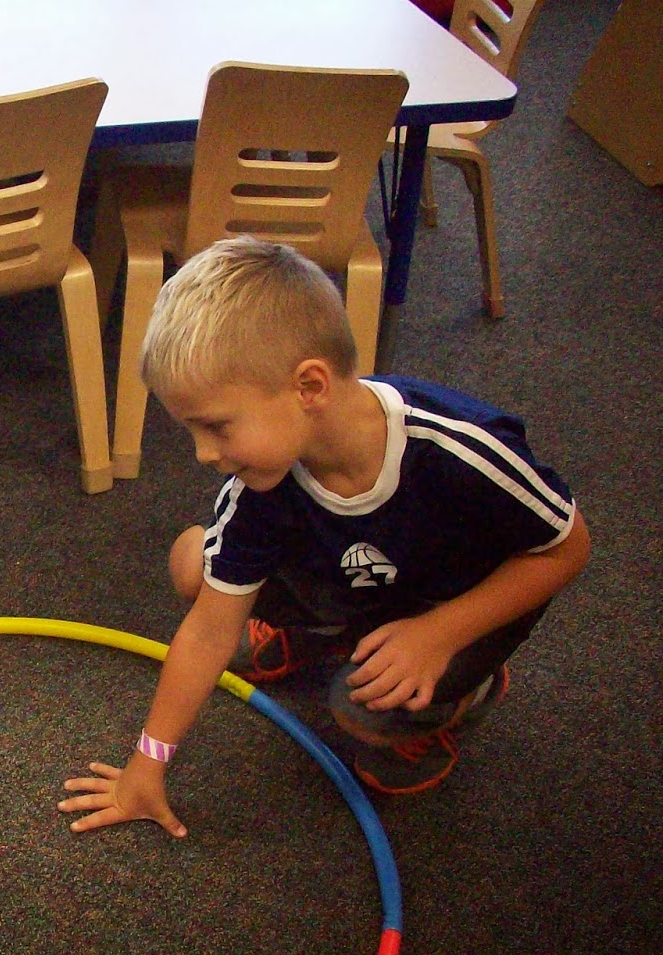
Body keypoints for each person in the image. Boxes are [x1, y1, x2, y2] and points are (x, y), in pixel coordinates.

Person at [60, 236, 589, 835]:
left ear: (309, 387)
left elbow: (569, 548)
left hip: (455, 602)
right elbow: (209, 628)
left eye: (216, 427)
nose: (203, 453)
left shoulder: (460, 450)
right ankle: (326, 635)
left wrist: (443, 633)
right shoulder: (261, 486)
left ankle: (467, 692)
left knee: (361, 712)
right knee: (196, 571)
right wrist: (146, 764)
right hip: (356, 576)